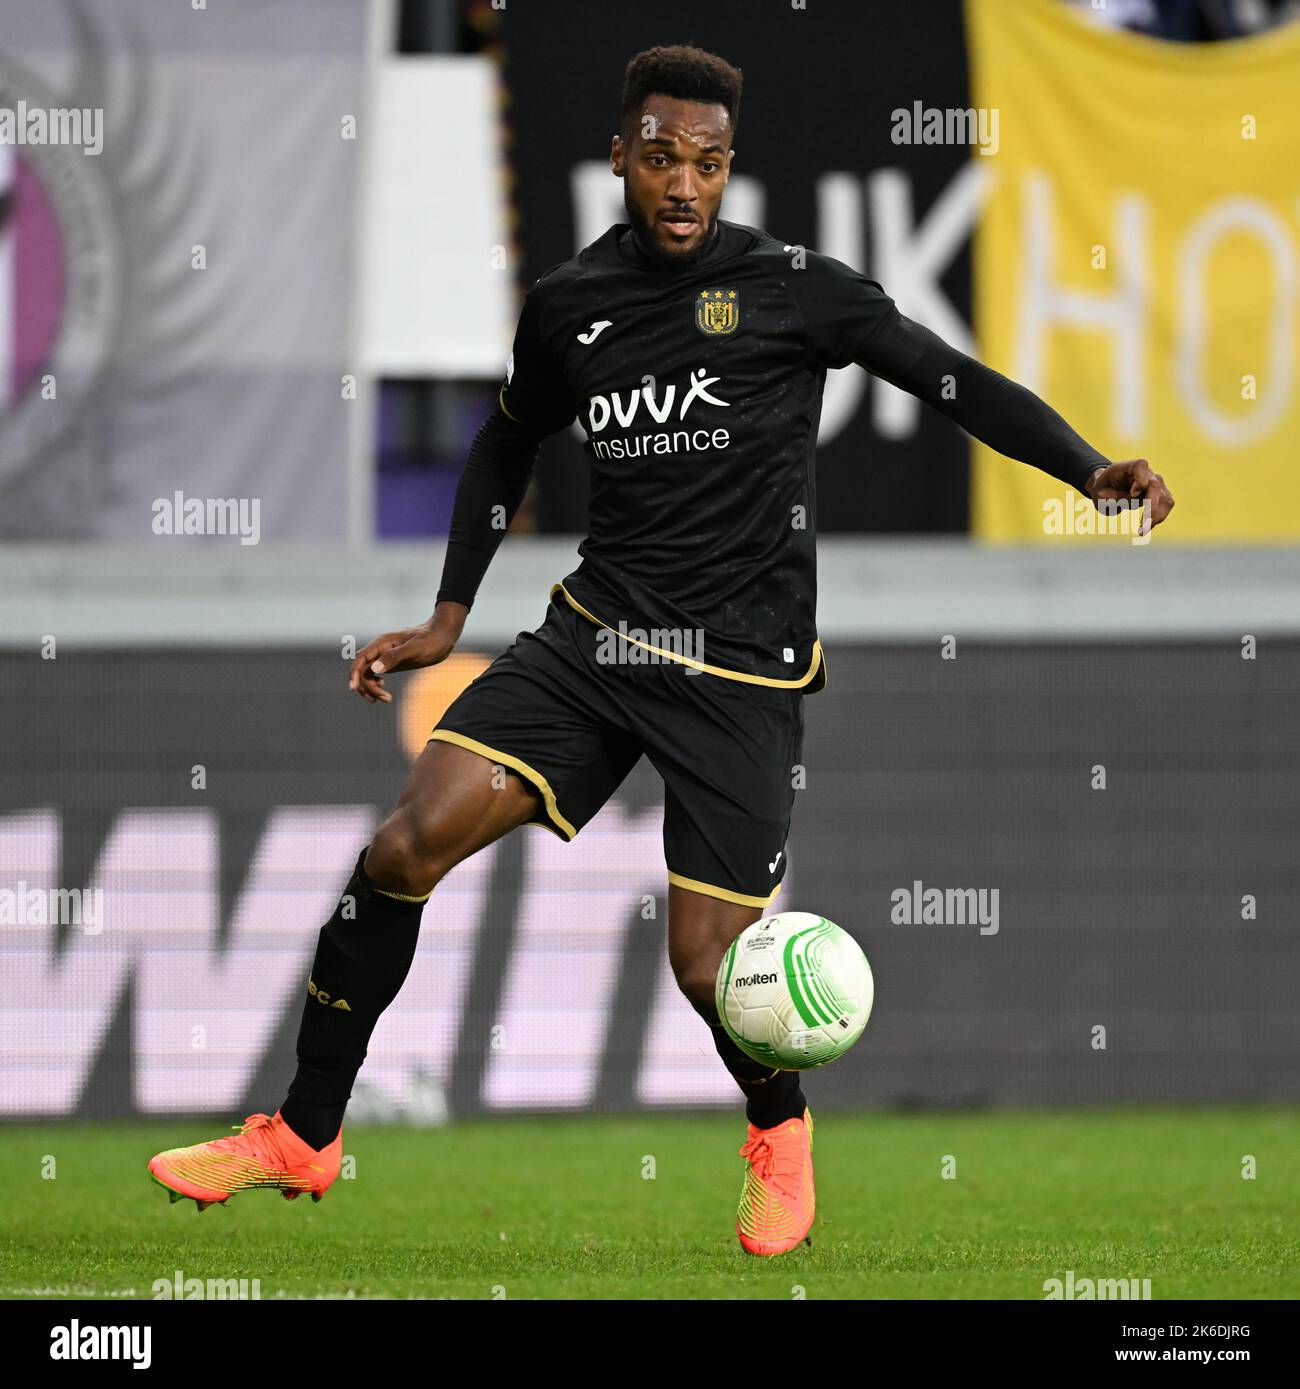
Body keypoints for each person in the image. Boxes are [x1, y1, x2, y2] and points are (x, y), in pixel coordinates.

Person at [148, 43, 1173, 1256]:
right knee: (402, 844)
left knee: (706, 966)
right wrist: (447, 619)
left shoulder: (796, 289)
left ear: (729, 170)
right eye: (662, 158)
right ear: (621, 157)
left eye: (710, 162)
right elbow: (504, 444)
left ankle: (778, 1134)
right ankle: (304, 1133)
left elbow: (950, 381)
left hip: (739, 674)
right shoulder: (571, 305)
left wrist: (1086, 468)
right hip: (596, 642)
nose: (685, 184)